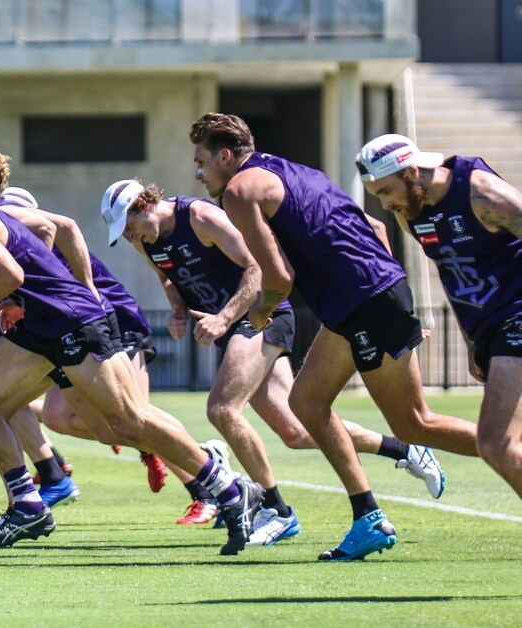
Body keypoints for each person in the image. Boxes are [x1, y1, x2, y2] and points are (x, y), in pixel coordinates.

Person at [0, 184, 264, 553]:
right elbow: (41, 242)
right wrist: (3, 302)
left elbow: (12, 273)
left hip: (70, 321)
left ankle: (230, 489)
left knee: (128, 419)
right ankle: (28, 506)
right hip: (40, 324)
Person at [189, 112, 481, 561]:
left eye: (202, 161)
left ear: (225, 157)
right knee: (305, 403)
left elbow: (278, 278)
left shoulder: (239, 190)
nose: (198, 172)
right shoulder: (296, 171)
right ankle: (368, 517)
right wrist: (390, 294)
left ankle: (507, 449)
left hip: (363, 301)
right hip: (362, 301)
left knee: (414, 423)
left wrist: (261, 313)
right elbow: (378, 228)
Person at [110, 177, 448, 543]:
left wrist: (224, 318)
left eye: (129, 228)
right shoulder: (147, 240)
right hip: (232, 326)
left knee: (222, 409)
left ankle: (276, 509)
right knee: (296, 431)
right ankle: (405, 449)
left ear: (144, 205)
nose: (131, 238)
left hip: (260, 316)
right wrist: (177, 310)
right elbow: (167, 278)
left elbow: (257, 268)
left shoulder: (201, 217)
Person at [358, 133, 522, 498]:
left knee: (496, 444)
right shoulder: (412, 214)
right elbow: (451, 275)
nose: (385, 204)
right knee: (501, 444)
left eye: (386, 191)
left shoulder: (481, 193)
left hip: (517, 316)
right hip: (490, 328)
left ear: (412, 172)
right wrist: (471, 342)